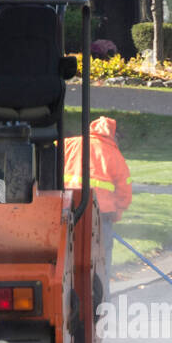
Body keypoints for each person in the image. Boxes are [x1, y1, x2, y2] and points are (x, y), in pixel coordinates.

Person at [64, 116, 132, 277]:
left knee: (70, 256)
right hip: (102, 215)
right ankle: (101, 298)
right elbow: (124, 190)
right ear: (113, 135)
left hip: (70, 209)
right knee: (101, 262)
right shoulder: (114, 154)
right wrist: (118, 212)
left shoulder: (71, 144)